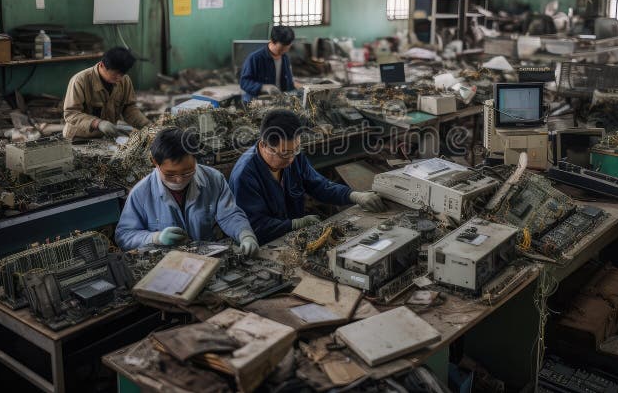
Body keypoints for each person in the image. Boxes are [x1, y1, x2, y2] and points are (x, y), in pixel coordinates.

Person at [229, 109, 386, 244]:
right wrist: (294, 225)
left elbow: (319, 185)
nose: (291, 159)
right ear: (264, 145)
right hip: (267, 244)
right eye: (284, 153)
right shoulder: (244, 176)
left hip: (296, 238)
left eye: (296, 149)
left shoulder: (294, 156)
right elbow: (255, 226)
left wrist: (353, 195)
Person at [115, 127, 259, 255]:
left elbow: (229, 215)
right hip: (167, 265)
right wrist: (155, 238)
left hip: (206, 259)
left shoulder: (214, 179)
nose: (179, 180)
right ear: (155, 163)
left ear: (195, 159)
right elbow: (124, 236)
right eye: (170, 174)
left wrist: (245, 234)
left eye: (187, 172)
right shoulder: (141, 193)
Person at [63, 47, 151, 139]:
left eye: (122, 74)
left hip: (107, 136)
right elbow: (71, 113)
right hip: (80, 137)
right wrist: (98, 123)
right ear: (102, 65)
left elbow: (129, 109)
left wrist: (147, 125)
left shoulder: (125, 80)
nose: (119, 78)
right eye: (115, 74)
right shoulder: (80, 80)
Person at [239, 26, 301, 103]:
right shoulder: (255, 58)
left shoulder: (285, 58)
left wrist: (298, 87)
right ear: (272, 41)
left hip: (278, 101)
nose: (284, 51)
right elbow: (244, 82)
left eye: (287, 48)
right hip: (257, 102)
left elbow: (288, 83)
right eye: (281, 48)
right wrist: (263, 87)